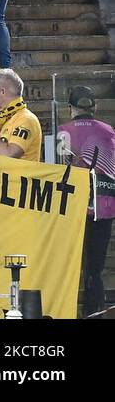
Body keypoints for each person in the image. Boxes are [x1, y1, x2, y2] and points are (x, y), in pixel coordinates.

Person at [57, 86, 115, 316]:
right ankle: (94, 312)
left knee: (71, 265)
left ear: (69, 108)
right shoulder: (109, 131)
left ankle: (68, 310)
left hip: (75, 207)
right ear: (95, 107)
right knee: (95, 268)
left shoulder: (64, 131)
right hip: (105, 206)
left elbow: (61, 168)